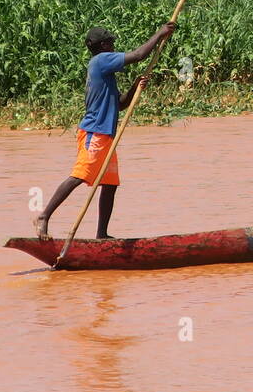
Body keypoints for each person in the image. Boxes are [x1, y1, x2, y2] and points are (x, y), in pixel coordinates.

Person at [34, 22, 176, 239]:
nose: (113, 46)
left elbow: (119, 104)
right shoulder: (101, 61)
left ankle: (102, 233)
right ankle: (43, 216)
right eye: (110, 43)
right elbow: (139, 55)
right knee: (79, 176)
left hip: (105, 135)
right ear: (102, 46)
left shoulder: (105, 70)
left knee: (110, 184)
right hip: (94, 132)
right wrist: (161, 33)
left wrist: (135, 86)